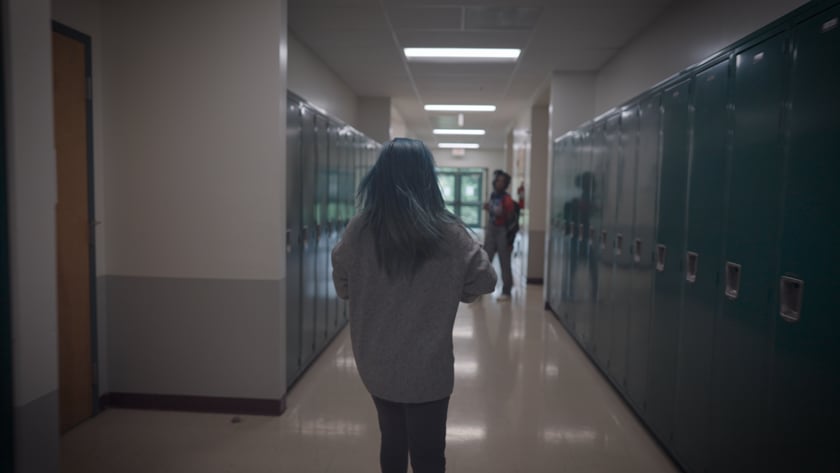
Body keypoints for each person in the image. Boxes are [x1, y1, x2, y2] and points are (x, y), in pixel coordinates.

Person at [331, 138, 497, 473]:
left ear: (380, 177)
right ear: (427, 178)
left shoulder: (360, 228)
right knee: (429, 454)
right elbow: (485, 281)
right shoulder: (449, 232)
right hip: (428, 370)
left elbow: (343, 286)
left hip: (376, 363)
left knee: (391, 440)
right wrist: (453, 288)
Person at [483, 170, 516, 301]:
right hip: (491, 229)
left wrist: (510, 240)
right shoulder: (493, 195)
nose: (499, 183)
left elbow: (509, 218)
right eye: (498, 180)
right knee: (485, 260)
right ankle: (480, 288)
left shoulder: (507, 199)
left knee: (505, 262)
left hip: (503, 231)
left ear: (506, 184)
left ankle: (506, 291)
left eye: (502, 181)